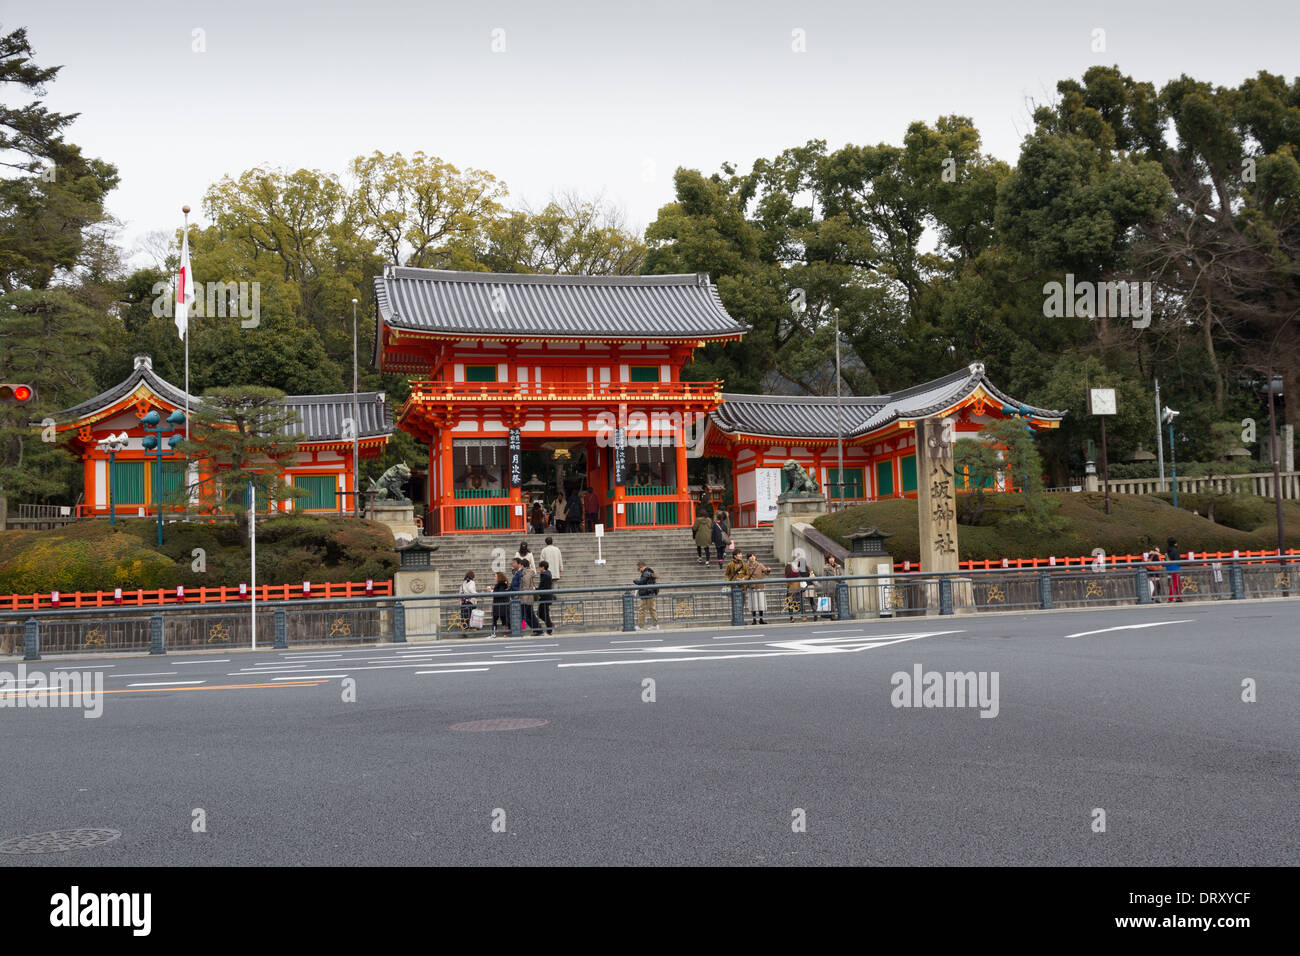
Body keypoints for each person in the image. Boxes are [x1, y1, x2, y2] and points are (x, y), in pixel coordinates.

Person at [744, 552, 770, 625]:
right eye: (750, 556)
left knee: (761, 602)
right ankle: (754, 620)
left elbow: (766, 572)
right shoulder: (746, 566)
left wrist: (768, 570)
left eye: (753, 556)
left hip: (760, 586)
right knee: (753, 603)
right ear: (748, 558)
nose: (752, 557)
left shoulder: (759, 565)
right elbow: (745, 575)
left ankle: (761, 619)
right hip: (751, 587)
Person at [634, 560, 659, 629]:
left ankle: (640, 626)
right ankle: (655, 625)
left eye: (638, 568)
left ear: (641, 567)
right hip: (651, 594)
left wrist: (635, 581)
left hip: (647, 595)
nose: (638, 570)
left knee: (642, 610)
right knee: (652, 610)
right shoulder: (649, 572)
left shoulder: (646, 573)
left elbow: (641, 582)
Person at [536, 560, 555, 635]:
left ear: (543, 567)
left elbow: (543, 587)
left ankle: (549, 629)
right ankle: (550, 625)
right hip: (546, 597)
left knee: (542, 613)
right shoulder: (547, 574)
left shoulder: (544, 575)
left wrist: (536, 589)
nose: (539, 569)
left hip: (545, 597)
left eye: (539, 567)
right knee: (541, 613)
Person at [490, 571, 510, 638]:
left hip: (500, 605)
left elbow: (500, 593)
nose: (494, 578)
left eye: (495, 576)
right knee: (503, 620)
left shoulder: (501, 584)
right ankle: (506, 633)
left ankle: (494, 633)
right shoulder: (502, 584)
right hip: (501, 605)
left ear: (499, 577)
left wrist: (492, 591)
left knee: (496, 620)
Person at [1166, 538, 1183, 602]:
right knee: (1175, 583)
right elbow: (1177, 559)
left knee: (1177, 582)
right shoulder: (1174, 550)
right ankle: (1171, 598)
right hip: (1175, 567)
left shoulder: (1168, 550)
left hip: (1170, 567)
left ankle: (1179, 597)